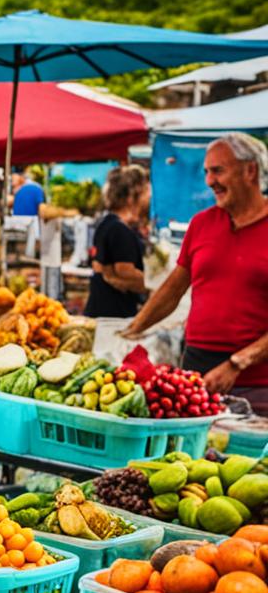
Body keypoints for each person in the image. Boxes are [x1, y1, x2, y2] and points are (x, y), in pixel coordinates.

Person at [121, 133, 268, 414]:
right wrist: (132, 330)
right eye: (207, 172)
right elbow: (173, 289)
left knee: (249, 457)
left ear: (250, 171)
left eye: (218, 171)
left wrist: (237, 363)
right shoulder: (202, 224)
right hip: (196, 371)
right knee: (193, 455)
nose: (209, 181)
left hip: (258, 380)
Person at [84, 165, 149, 318]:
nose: (149, 196)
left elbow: (108, 271)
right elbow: (124, 273)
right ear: (133, 193)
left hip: (103, 312)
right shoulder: (119, 230)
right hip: (113, 316)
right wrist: (157, 284)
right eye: (146, 190)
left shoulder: (107, 223)